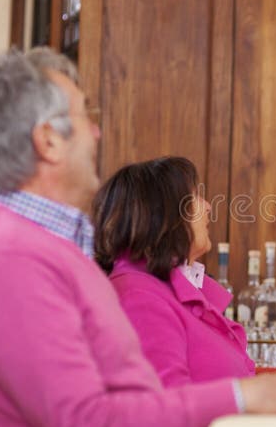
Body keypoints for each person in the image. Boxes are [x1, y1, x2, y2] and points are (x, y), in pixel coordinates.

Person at [0, 47, 276, 427]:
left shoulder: (44, 250)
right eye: (84, 117)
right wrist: (243, 396)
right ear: (49, 141)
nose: (96, 133)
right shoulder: (9, 261)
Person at [92, 156, 255, 387]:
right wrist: (252, 395)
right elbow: (165, 404)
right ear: (163, 214)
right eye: (195, 197)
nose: (208, 206)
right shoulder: (140, 298)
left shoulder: (161, 289)